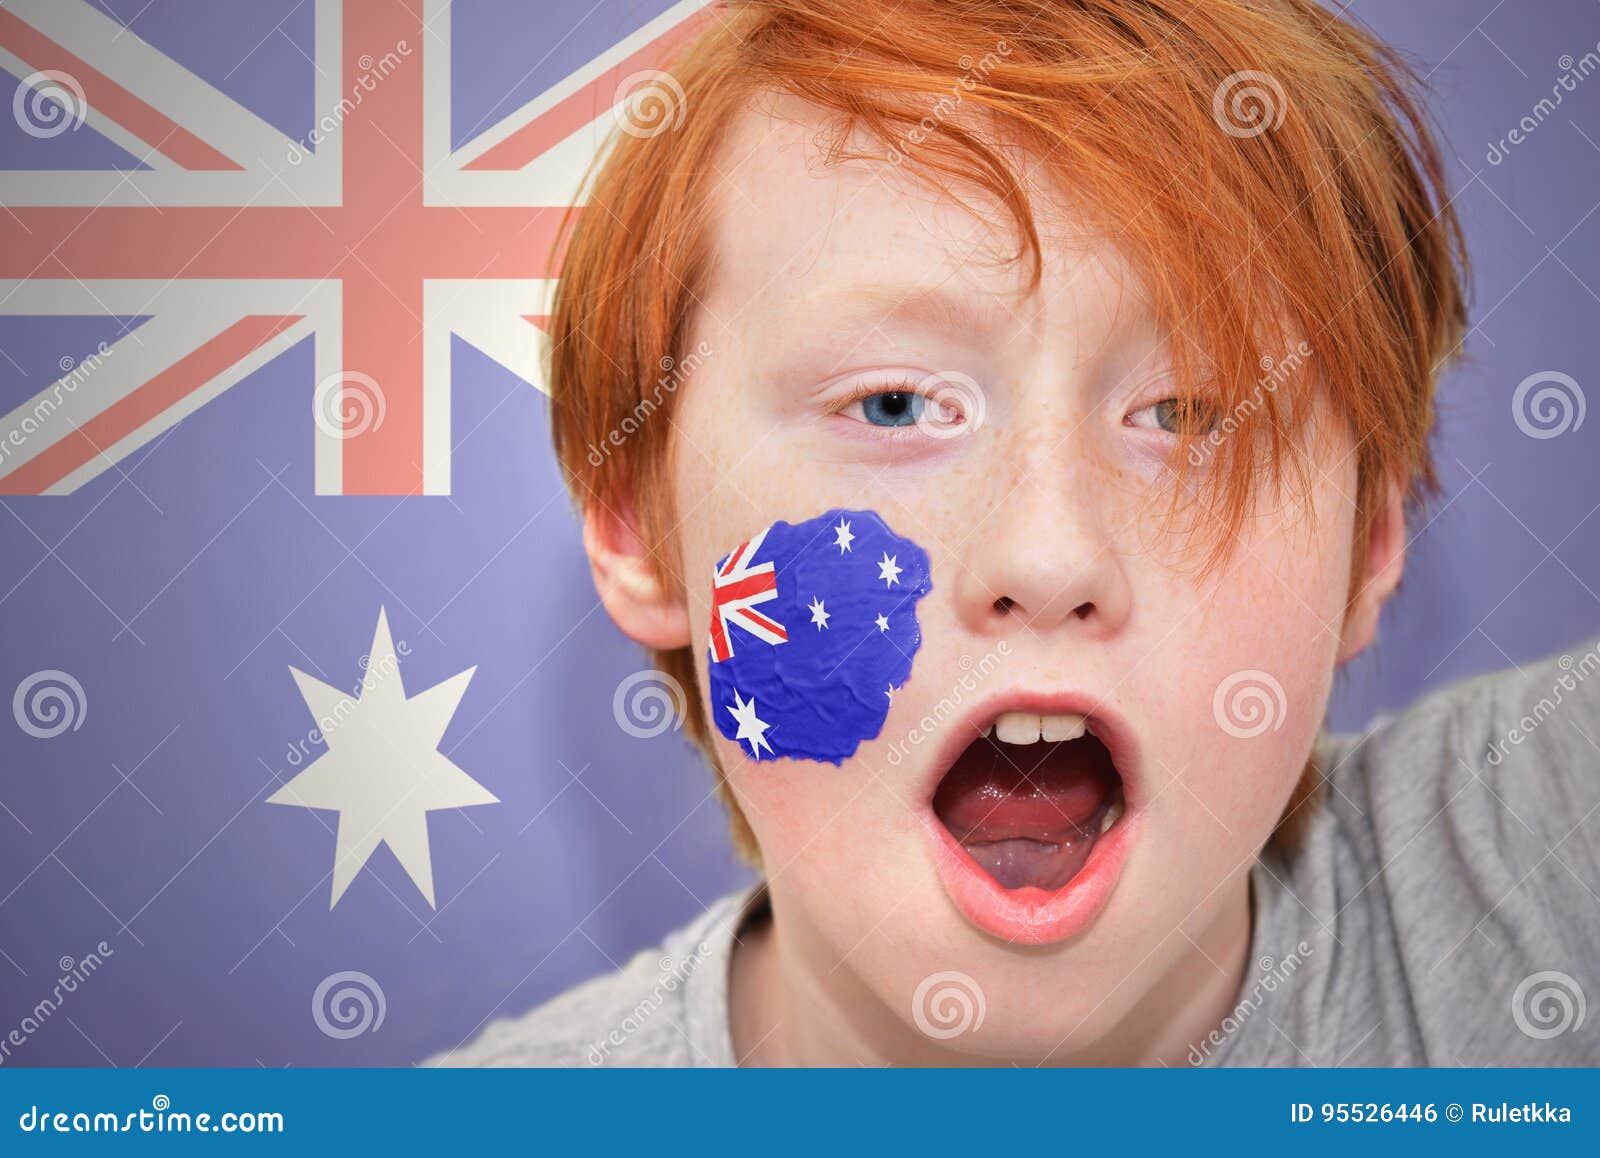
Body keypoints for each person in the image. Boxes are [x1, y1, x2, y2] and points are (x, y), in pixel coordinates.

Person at [431, 0, 1599, 1066]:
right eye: (891, 404)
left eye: (1189, 413)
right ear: (641, 529)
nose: (1047, 558)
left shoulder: (1544, 858)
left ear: (1368, 543)